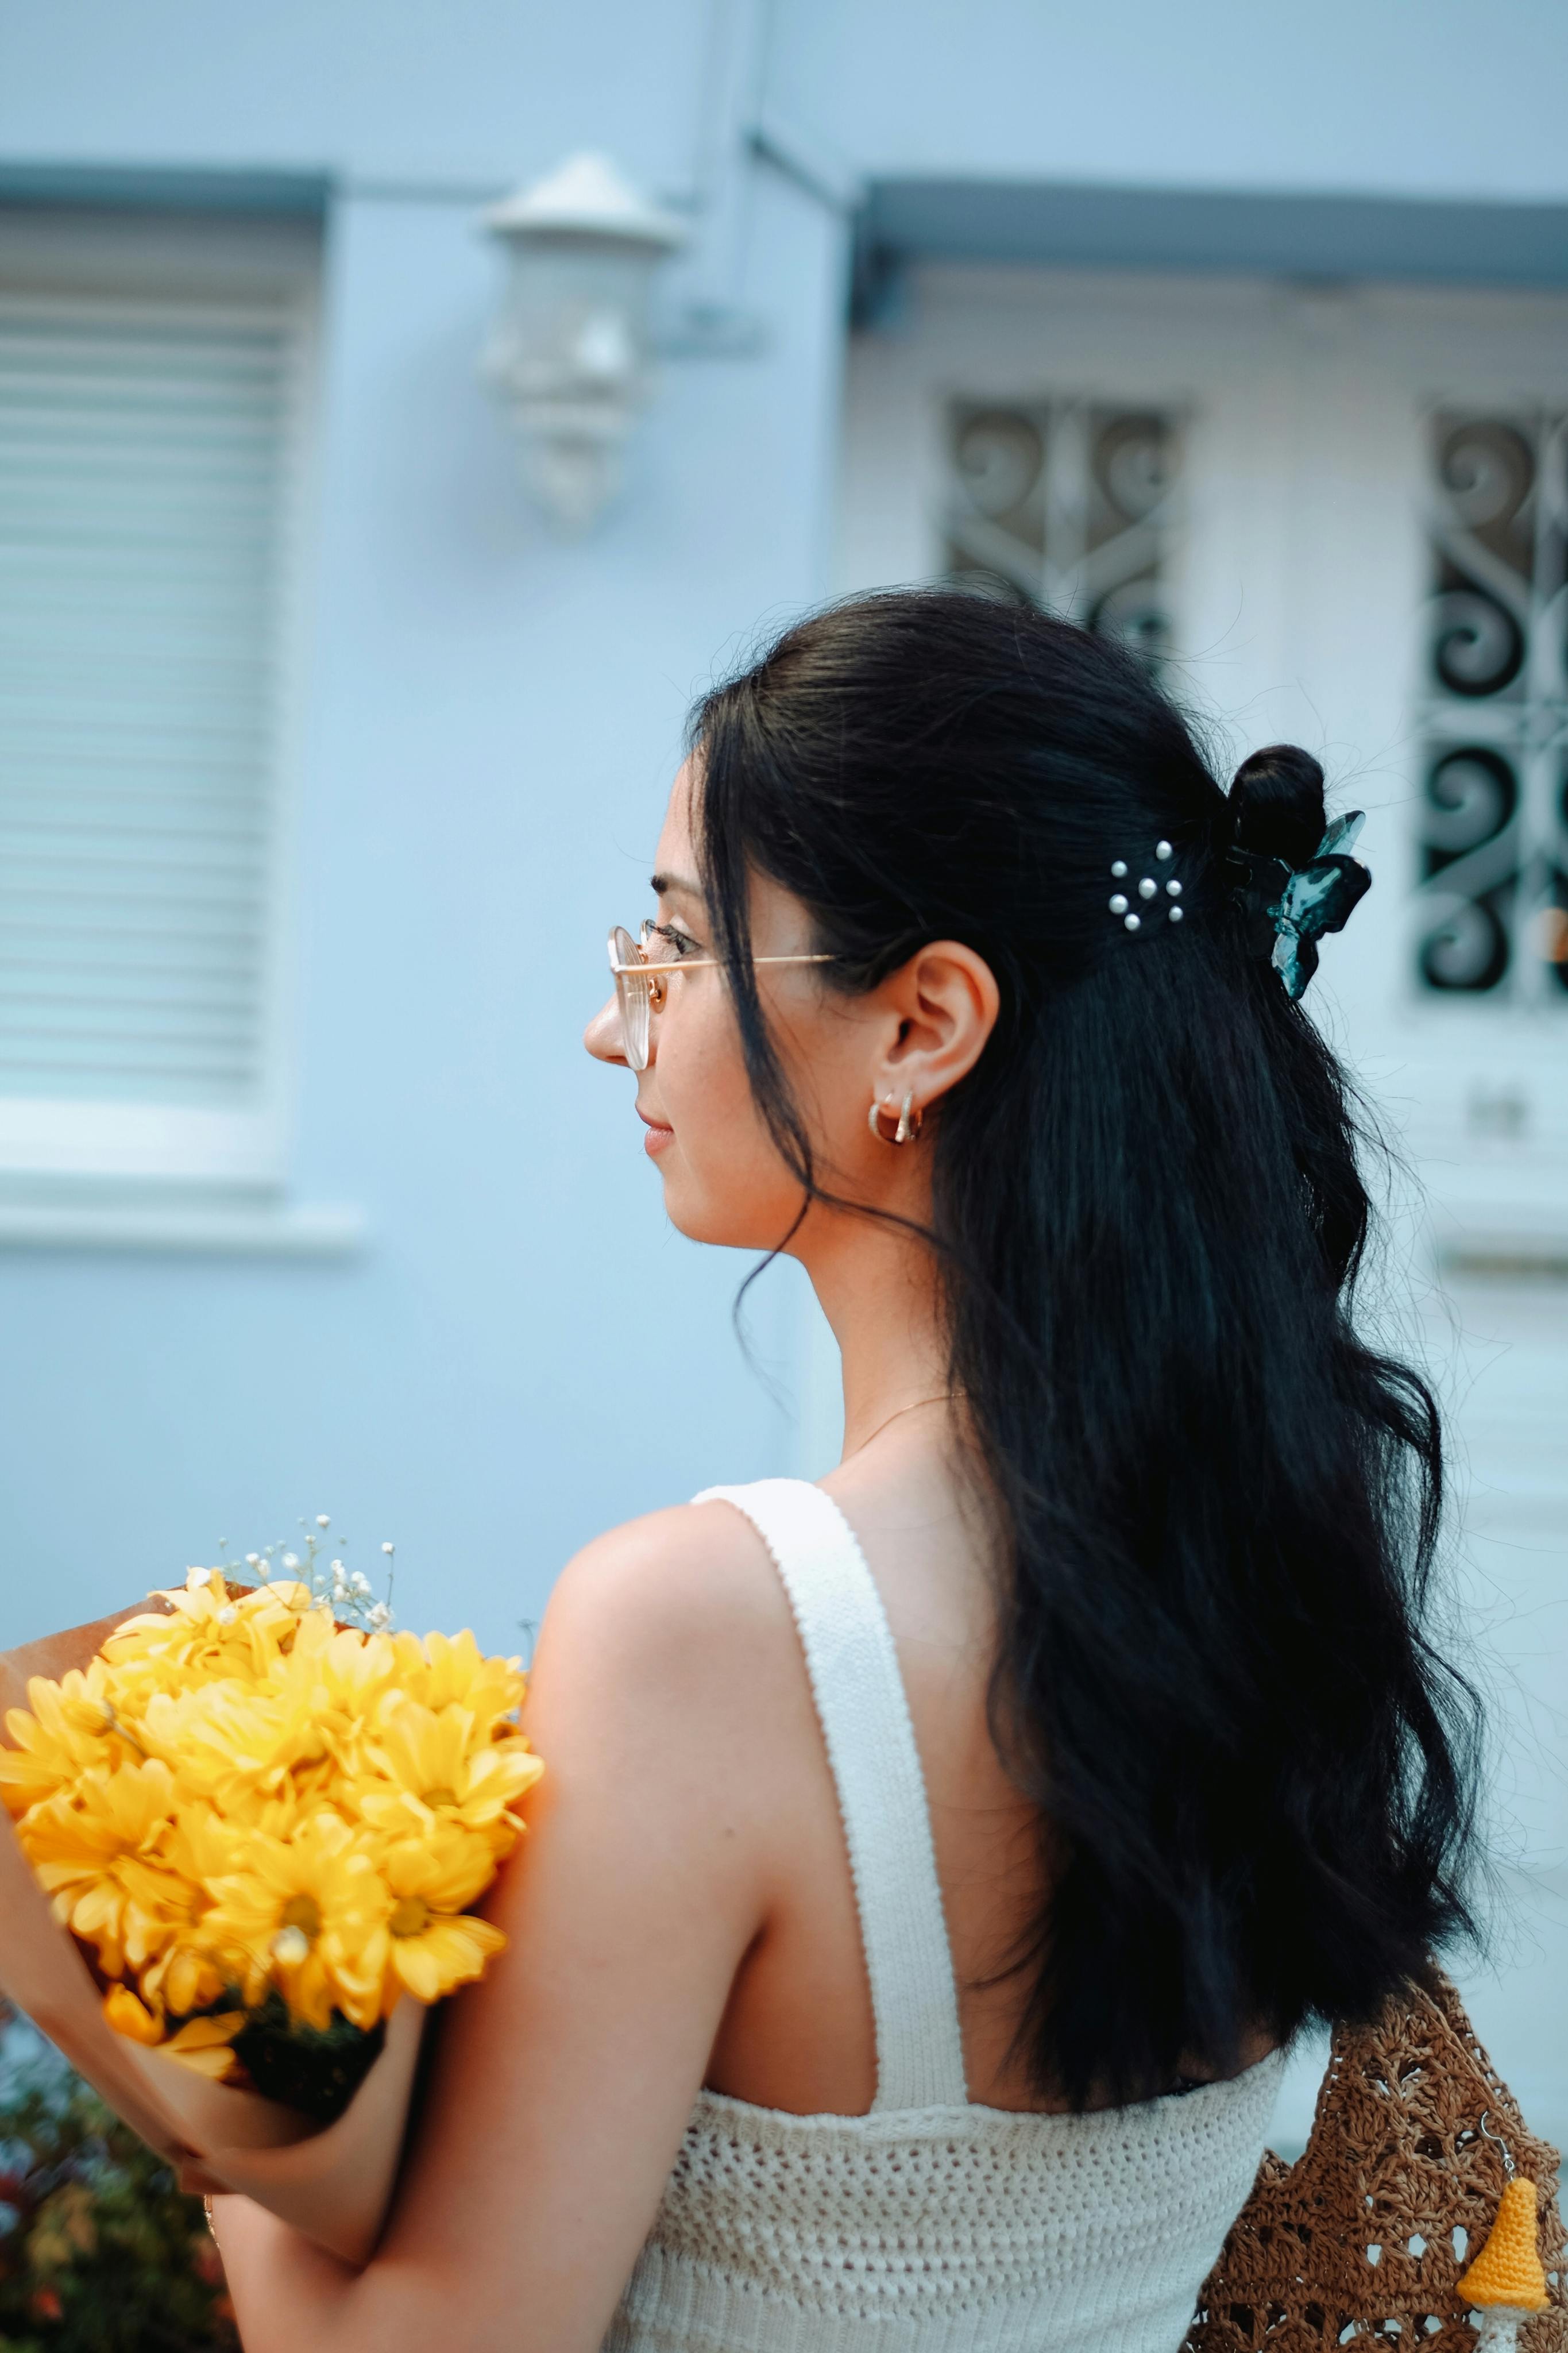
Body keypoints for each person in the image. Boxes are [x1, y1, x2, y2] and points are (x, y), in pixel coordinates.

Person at [213, 590, 1478, 2352]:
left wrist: (219, 2048)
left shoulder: (710, 1631)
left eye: (674, 939)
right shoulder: (1261, 1556)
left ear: (923, 1025)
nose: (614, 1025)